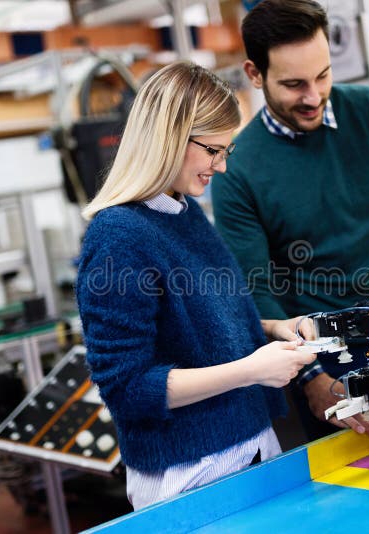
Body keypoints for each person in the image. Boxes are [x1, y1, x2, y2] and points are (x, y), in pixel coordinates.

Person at [75, 61, 317, 510]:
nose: (221, 166)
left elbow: (204, 327)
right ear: (170, 138)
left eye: (227, 150)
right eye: (213, 150)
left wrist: (270, 330)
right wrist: (252, 370)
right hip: (190, 474)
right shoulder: (118, 237)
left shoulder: (185, 213)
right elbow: (128, 388)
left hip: (250, 448)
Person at [212, 0, 369, 441]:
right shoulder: (237, 169)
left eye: (322, 76)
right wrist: (311, 380)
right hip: (324, 362)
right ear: (254, 74)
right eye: (294, 84)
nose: (313, 96)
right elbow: (255, 292)